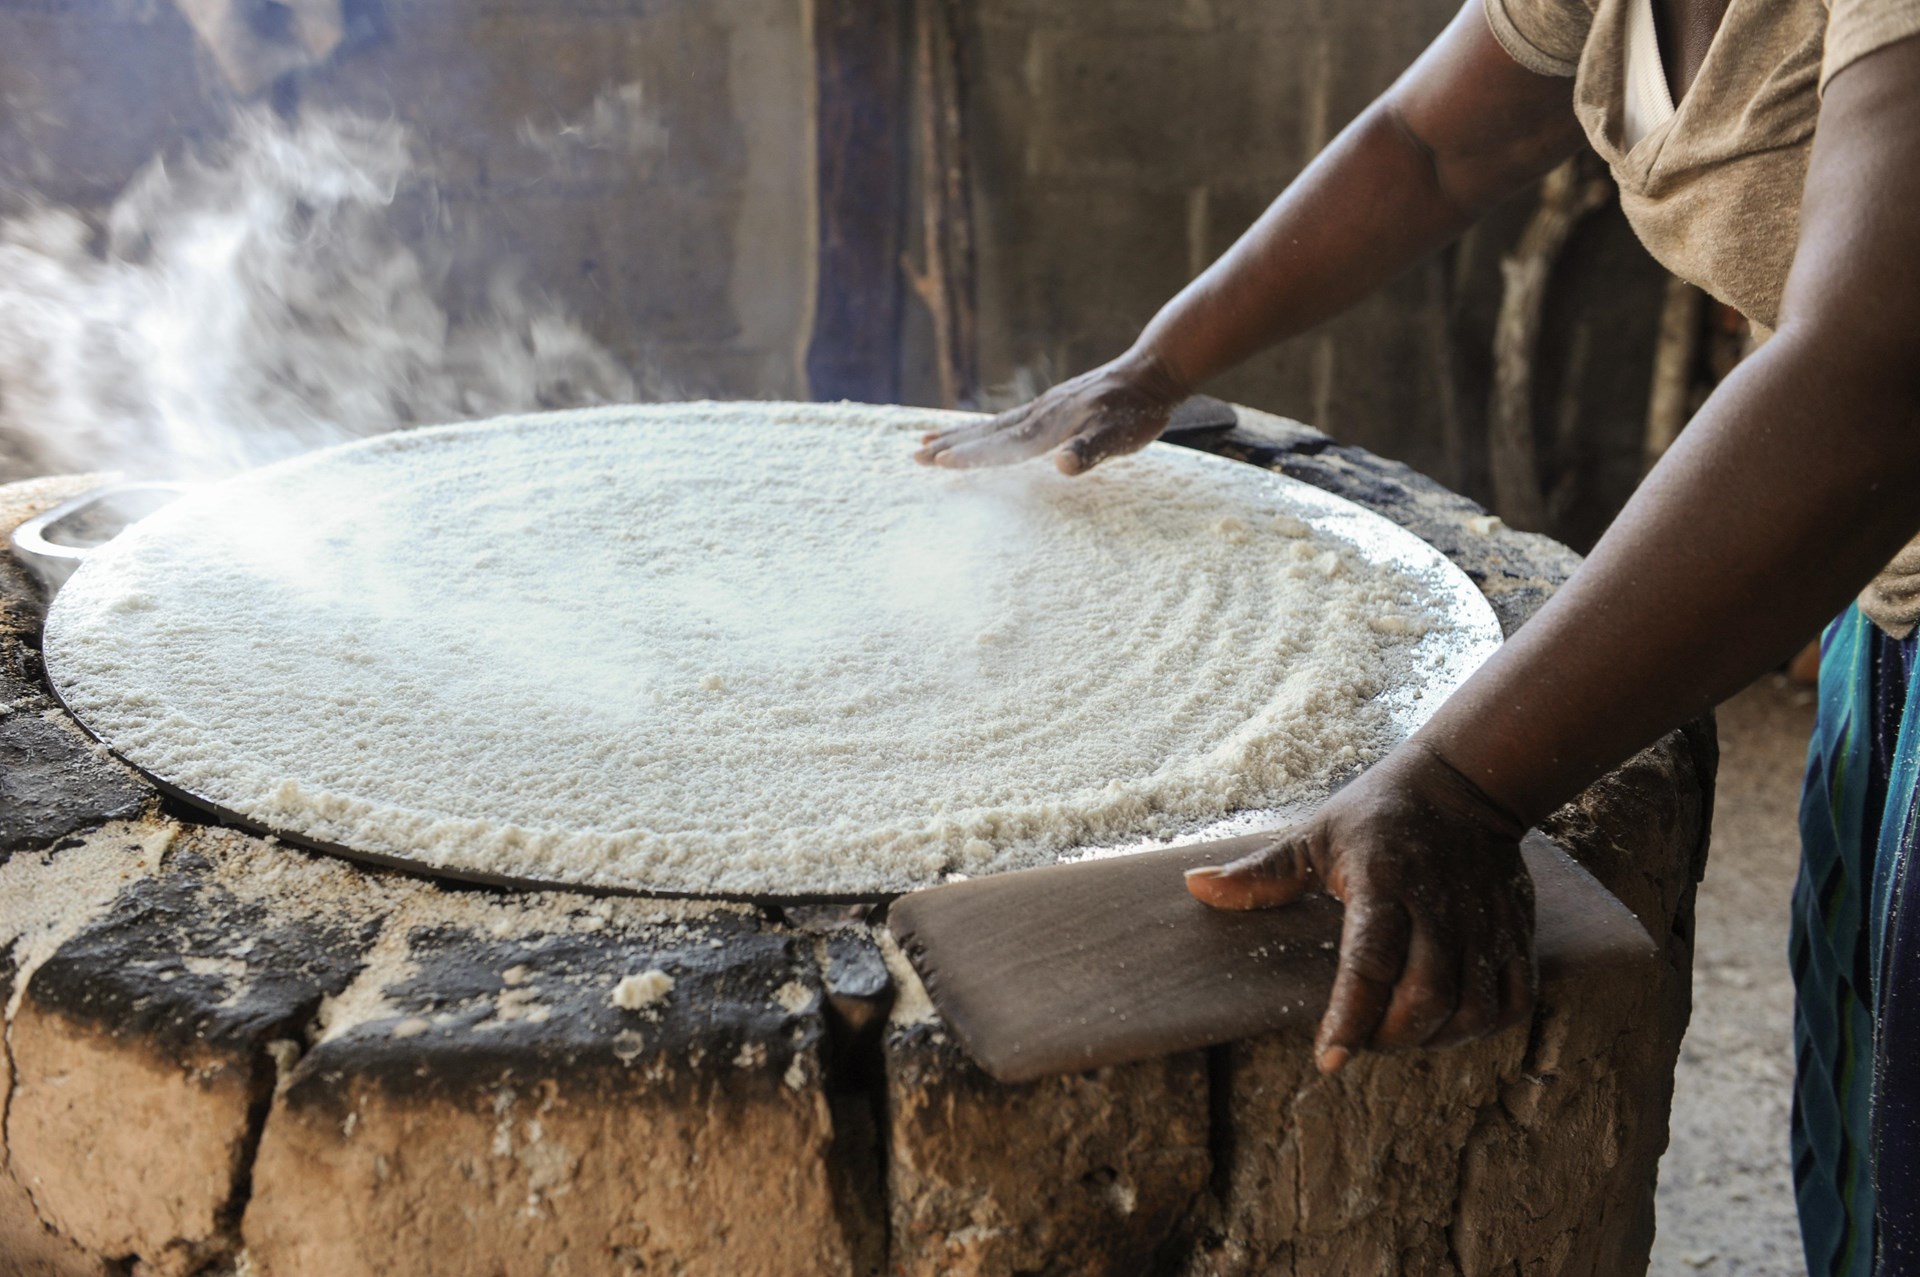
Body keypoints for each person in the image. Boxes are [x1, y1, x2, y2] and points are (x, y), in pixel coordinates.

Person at [914, 0, 1920, 1271]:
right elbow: (1428, 146)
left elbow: (1875, 368)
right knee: (1868, 1097)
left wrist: (1459, 781)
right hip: (1886, 588)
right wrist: (1159, 363)